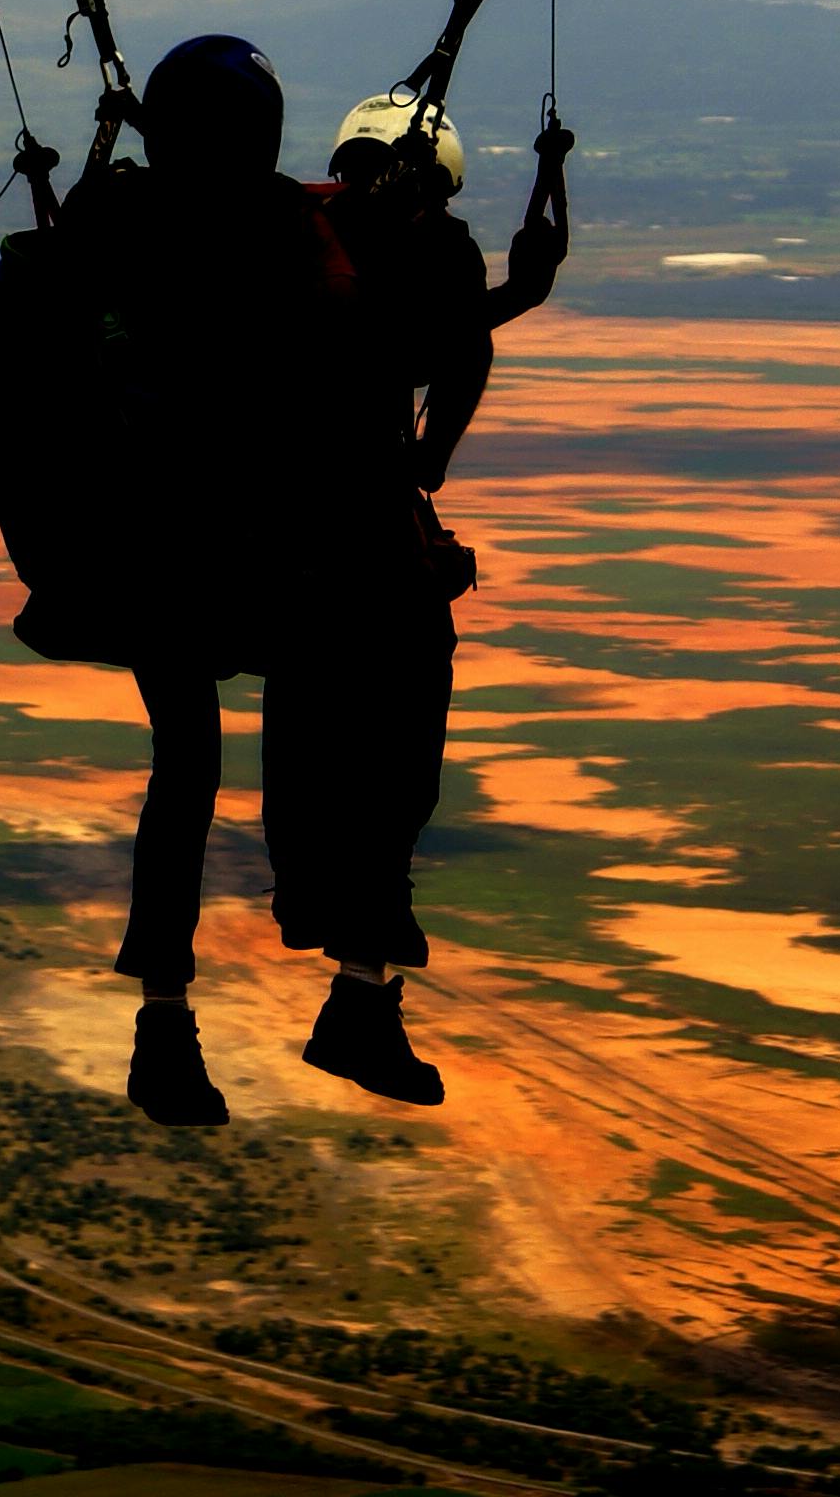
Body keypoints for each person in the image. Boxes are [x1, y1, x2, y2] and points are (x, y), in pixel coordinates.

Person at [0, 34, 400, 1127]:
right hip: (242, 555)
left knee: (189, 767)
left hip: (143, 555)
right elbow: (353, 338)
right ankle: (353, 987)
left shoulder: (112, 225)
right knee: (347, 725)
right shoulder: (287, 229)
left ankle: (166, 1024)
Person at [266, 93, 573, 1108]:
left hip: (279, 559)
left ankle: (348, 975)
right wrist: (503, 304)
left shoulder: (282, 249)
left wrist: (501, 303)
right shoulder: (364, 282)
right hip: (355, 557)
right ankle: (354, 991)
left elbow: (396, 344)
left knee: (316, 748)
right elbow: (419, 356)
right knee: (393, 760)